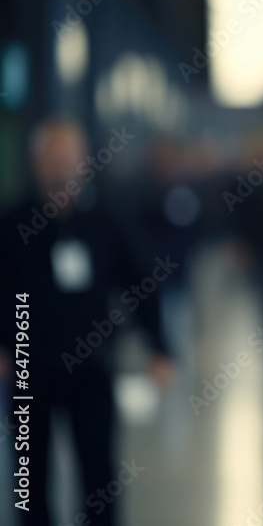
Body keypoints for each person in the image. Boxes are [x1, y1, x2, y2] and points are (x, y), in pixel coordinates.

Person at [0, 117, 174, 526]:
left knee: (98, 474)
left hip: (92, 366)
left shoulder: (105, 223)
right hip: (28, 367)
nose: (61, 170)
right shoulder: (10, 224)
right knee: (29, 478)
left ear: (84, 163)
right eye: (52, 160)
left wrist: (160, 347)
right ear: (36, 163)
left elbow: (141, 284)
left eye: (69, 160)